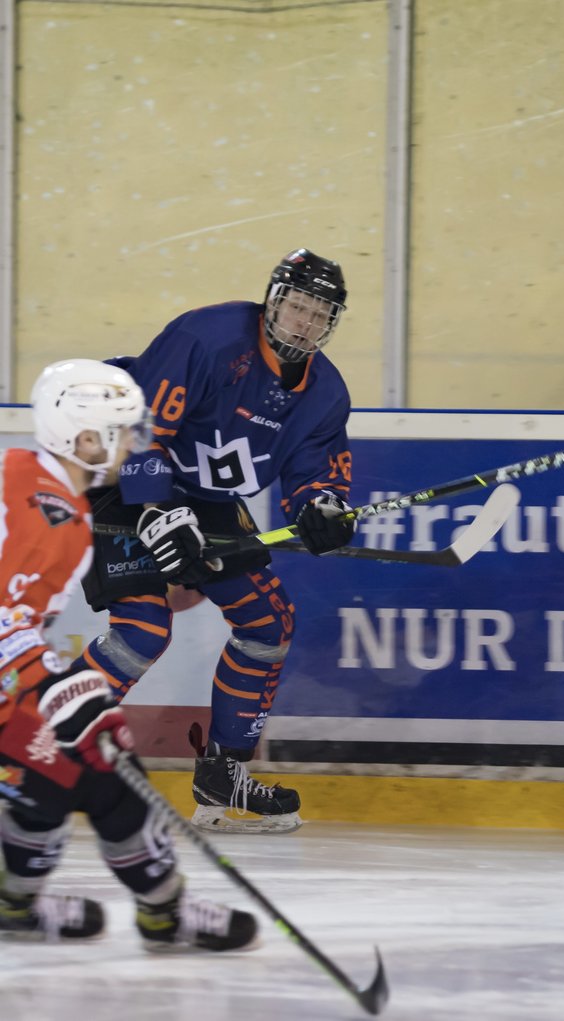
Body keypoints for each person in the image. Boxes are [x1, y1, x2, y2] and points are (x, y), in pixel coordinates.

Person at [71, 249, 357, 835]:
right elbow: (138, 427)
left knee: (268, 624)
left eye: (316, 312)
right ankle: (37, 751)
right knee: (143, 632)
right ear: (273, 299)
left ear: (331, 321)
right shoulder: (208, 337)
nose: (302, 321)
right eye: (295, 305)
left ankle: (223, 774)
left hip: (206, 500)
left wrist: (321, 508)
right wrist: (159, 510)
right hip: (127, 476)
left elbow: (315, 474)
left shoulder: (325, 393)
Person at [0, 358, 258, 949]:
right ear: (84, 438)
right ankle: (163, 912)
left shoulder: (43, 491)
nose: (136, 444)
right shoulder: (44, 512)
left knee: (72, 757)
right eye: (122, 432)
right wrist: (49, 687)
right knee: (100, 763)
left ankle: (14, 904)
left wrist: (55, 690)